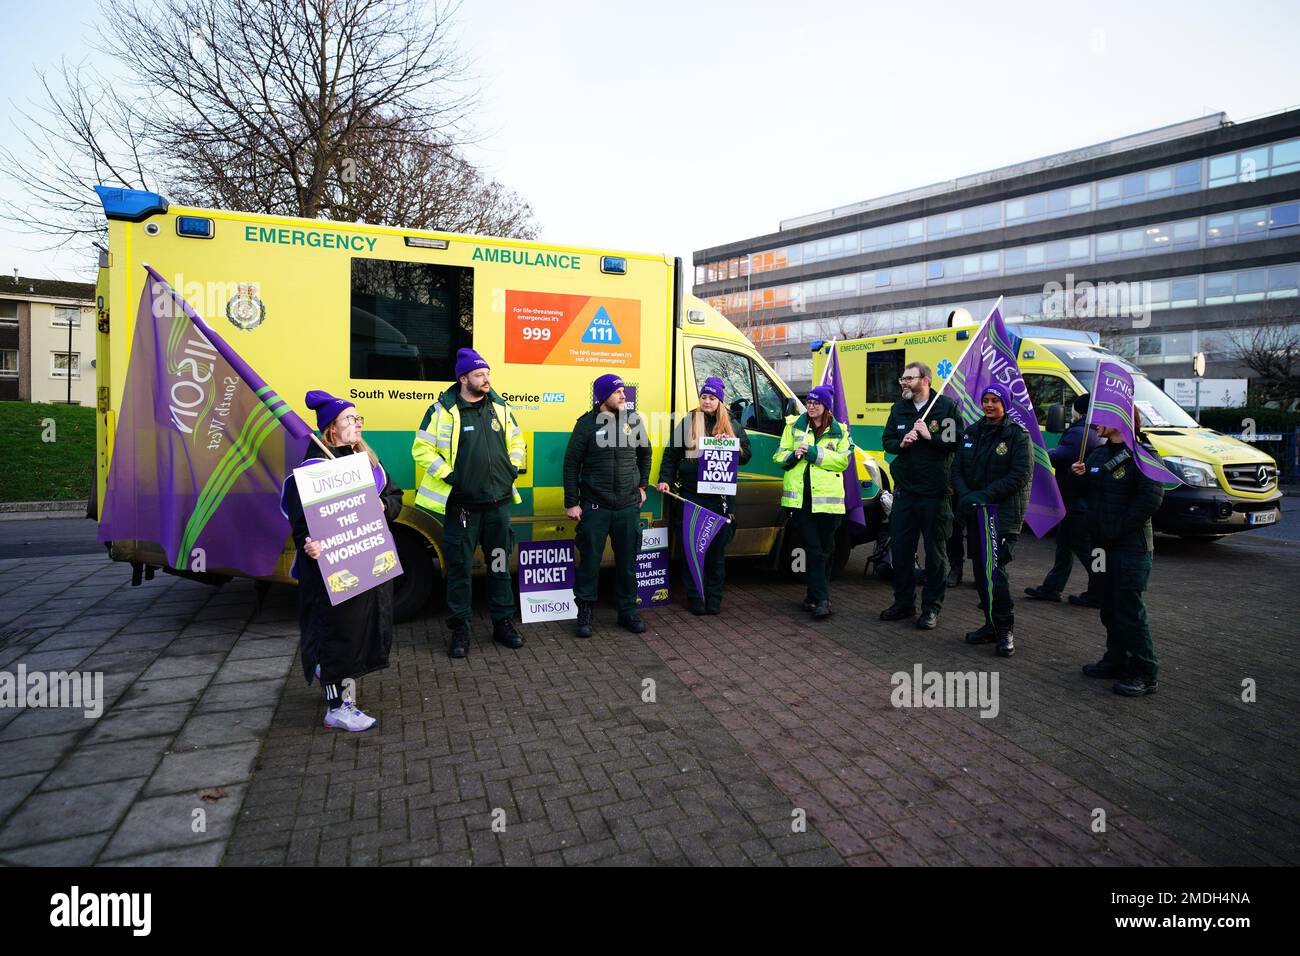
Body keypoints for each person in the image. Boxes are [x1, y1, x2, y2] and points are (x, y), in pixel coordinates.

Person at [281, 391, 402, 732]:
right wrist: (308, 544)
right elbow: (301, 522)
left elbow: (395, 497)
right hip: (333, 570)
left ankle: (334, 679)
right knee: (340, 635)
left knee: (358, 633)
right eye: (350, 419)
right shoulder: (314, 471)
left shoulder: (368, 463)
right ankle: (337, 708)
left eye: (357, 417)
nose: (357, 423)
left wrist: (384, 508)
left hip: (371, 564)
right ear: (331, 430)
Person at [412, 348, 527, 659]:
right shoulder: (442, 410)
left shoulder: (500, 409)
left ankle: (503, 624)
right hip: (462, 507)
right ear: (463, 378)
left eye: (487, 373)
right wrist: (450, 476)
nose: (486, 379)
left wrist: (511, 470)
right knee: (460, 570)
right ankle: (460, 630)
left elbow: (517, 441)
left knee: (500, 567)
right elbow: (421, 449)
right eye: (479, 374)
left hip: (498, 506)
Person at [1071, 411, 1165, 697]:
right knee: (1109, 606)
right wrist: (1078, 477)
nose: (1095, 423)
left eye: (1101, 417)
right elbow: (1088, 493)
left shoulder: (1144, 455)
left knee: (1128, 609)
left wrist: (1116, 528)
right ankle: (1116, 659)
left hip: (1130, 547)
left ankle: (1145, 671)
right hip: (1102, 546)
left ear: (1120, 420)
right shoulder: (1098, 455)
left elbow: (1151, 498)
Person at [563, 373, 653, 637]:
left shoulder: (633, 420)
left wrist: (642, 486)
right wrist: (572, 502)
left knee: (627, 562)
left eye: (624, 391)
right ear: (603, 396)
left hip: (627, 505)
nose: (623, 396)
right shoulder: (586, 424)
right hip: (595, 505)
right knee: (590, 561)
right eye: (617, 392)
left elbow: (645, 453)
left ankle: (627, 611)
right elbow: (571, 464)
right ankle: (585, 612)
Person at [656, 376, 752, 614]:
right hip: (691, 496)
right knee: (693, 549)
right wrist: (665, 480)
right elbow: (671, 454)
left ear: (720, 400)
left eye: (712, 398)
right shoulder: (688, 421)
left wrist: (732, 443)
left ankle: (714, 597)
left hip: (719, 499)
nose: (707, 402)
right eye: (704, 397)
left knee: (716, 553)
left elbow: (746, 455)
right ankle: (695, 598)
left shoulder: (732, 423)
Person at [879, 361, 962, 630]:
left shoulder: (945, 407)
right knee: (901, 551)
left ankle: (931, 608)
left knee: (936, 555)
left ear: (925, 380)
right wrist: (900, 444)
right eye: (902, 379)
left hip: (935, 493)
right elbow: (887, 440)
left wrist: (929, 436)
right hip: (905, 491)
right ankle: (904, 603)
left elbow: (953, 442)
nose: (903, 382)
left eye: (908, 378)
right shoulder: (899, 408)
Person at [952, 383, 1031, 657]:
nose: (988, 405)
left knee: (996, 573)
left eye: (994, 401)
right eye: (985, 400)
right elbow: (958, 468)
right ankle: (990, 625)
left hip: (1001, 515)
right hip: (974, 512)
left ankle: (1005, 630)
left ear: (1005, 404)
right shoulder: (972, 432)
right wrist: (965, 495)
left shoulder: (1017, 436)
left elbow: (1020, 474)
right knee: (980, 573)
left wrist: (984, 495)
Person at [773, 385, 852, 619]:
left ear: (826, 406)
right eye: (808, 402)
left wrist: (814, 453)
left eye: (816, 403)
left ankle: (813, 595)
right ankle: (823, 600)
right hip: (801, 501)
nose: (811, 406)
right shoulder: (794, 426)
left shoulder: (840, 431)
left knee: (826, 549)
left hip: (828, 502)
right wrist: (793, 454)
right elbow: (778, 456)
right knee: (814, 549)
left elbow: (842, 462)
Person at [1025, 392, 1104, 606]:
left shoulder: (1081, 433)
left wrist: (1045, 452)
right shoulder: (1092, 431)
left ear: (1079, 411)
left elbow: (1060, 455)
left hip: (1075, 501)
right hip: (1074, 500)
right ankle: (1052, 587)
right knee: (1064, 547)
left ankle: (1101, 591)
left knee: (1084, 548)